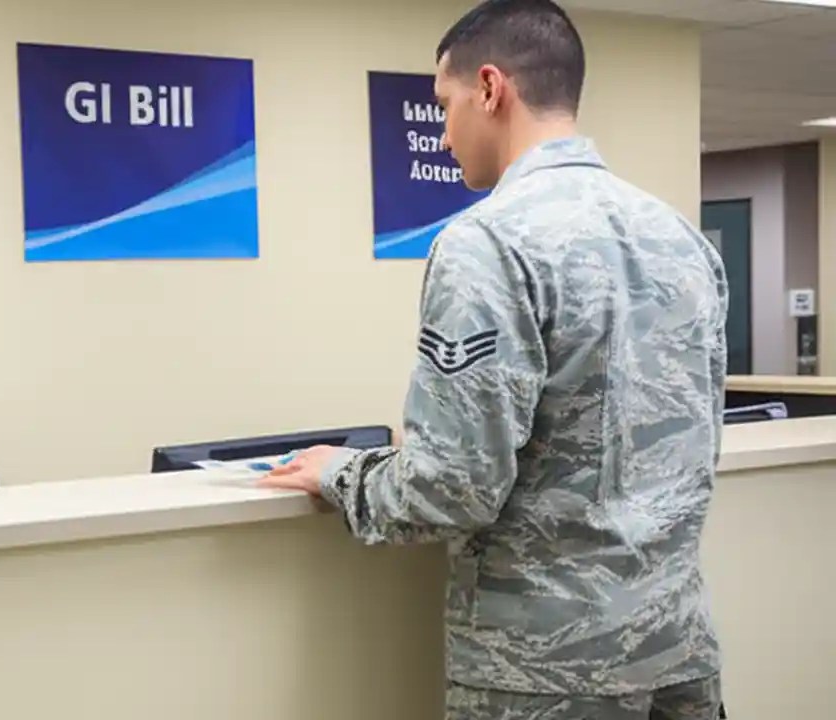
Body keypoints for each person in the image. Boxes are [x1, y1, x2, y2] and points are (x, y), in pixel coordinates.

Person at [260, 1, 728, 718]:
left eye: (445, 106)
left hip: (546, 672)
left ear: (490, 89)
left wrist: (340, 473)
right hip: (675, 653)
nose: (443, 134)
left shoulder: (489, 243)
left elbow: (451, 489)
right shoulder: (680, 238)